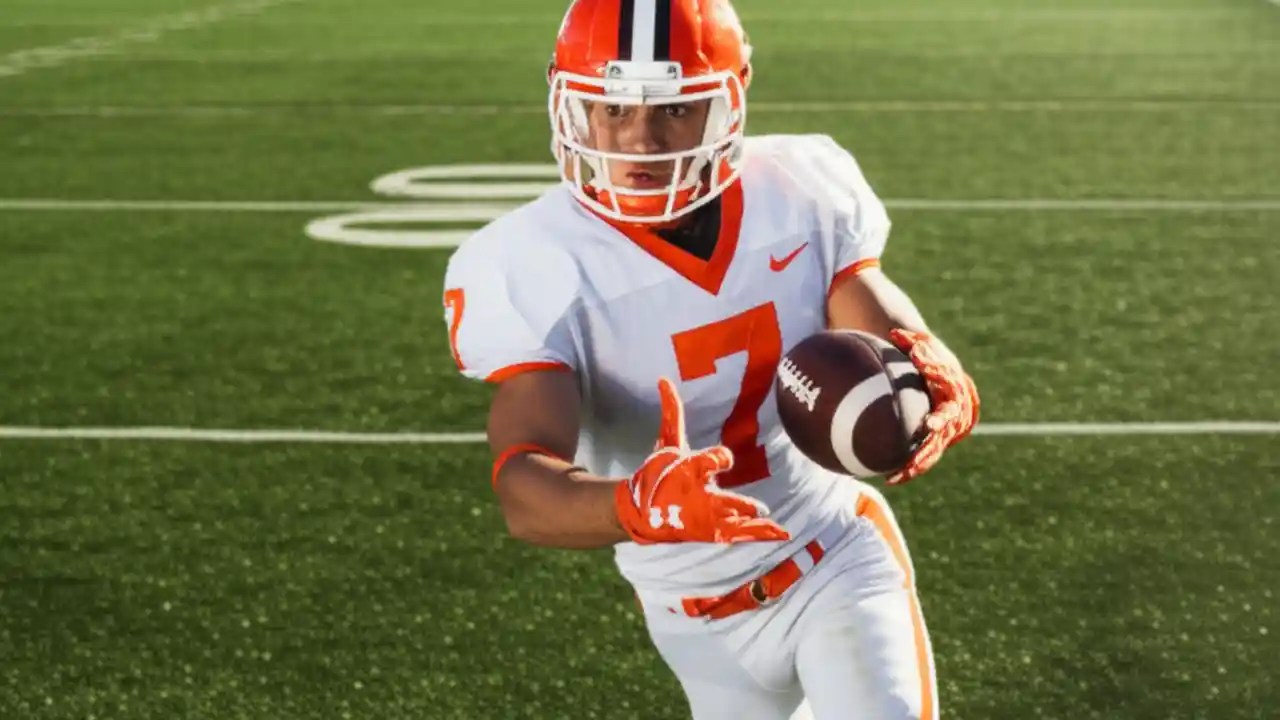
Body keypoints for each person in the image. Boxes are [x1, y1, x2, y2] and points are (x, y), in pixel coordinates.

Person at [440, 0, 980, 717]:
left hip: (833, 559)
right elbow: (523, 486)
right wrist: (636, 506)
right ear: (568, 103)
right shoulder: (534, 262)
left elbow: (869, 317)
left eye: (674, 110)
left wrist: (926, 363)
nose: (639, 140)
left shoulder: (799, 191)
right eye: (612, 109)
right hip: (692, 619)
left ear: (730, 98)